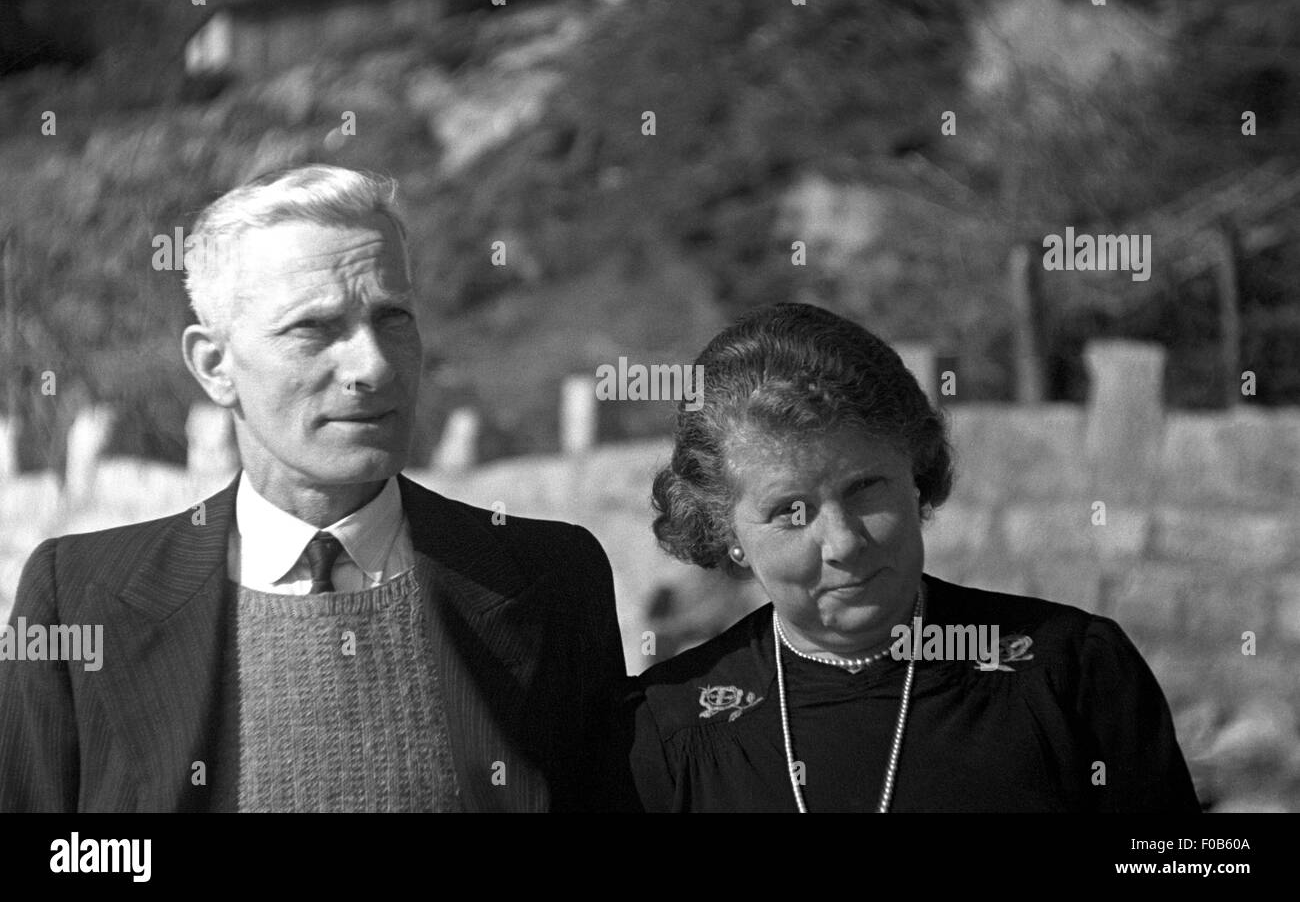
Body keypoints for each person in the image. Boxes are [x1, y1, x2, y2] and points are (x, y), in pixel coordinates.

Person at [0, 164, 626, 812]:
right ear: (215, 366)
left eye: (393, 317)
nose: (373, 364)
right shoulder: (79, 597)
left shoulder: (553, 579)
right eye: (313, 328)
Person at [624, 302, 1200, 812]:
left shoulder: (1070, 674)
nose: (844, 542)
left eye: (866, 488)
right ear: (727, 532)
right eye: (791, 511)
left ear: (918, 476)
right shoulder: (674, 732)